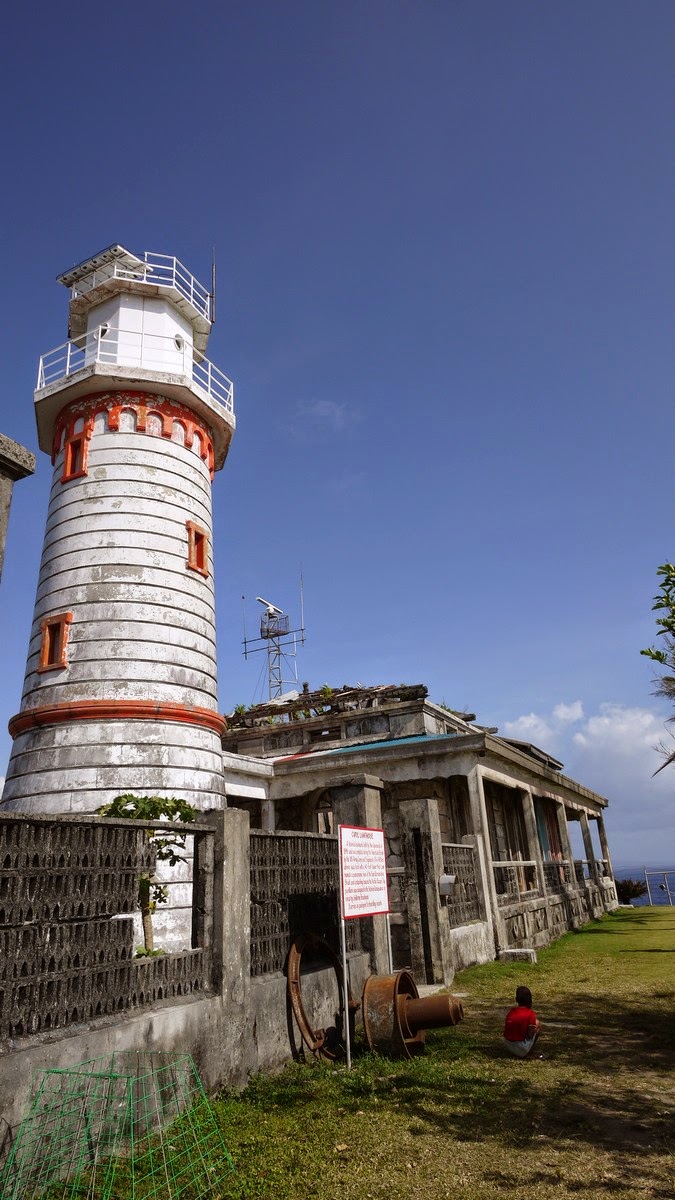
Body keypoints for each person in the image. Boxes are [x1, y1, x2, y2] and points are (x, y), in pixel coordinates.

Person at [503, 985, 541, 1058]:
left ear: (516, 999)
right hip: (521, 1049)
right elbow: (530, 1034)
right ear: (530, 1000)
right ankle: (529, 1052)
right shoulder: (530, 1014)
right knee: (537, 1023)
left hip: (507, 1044)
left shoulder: (512, 1012)